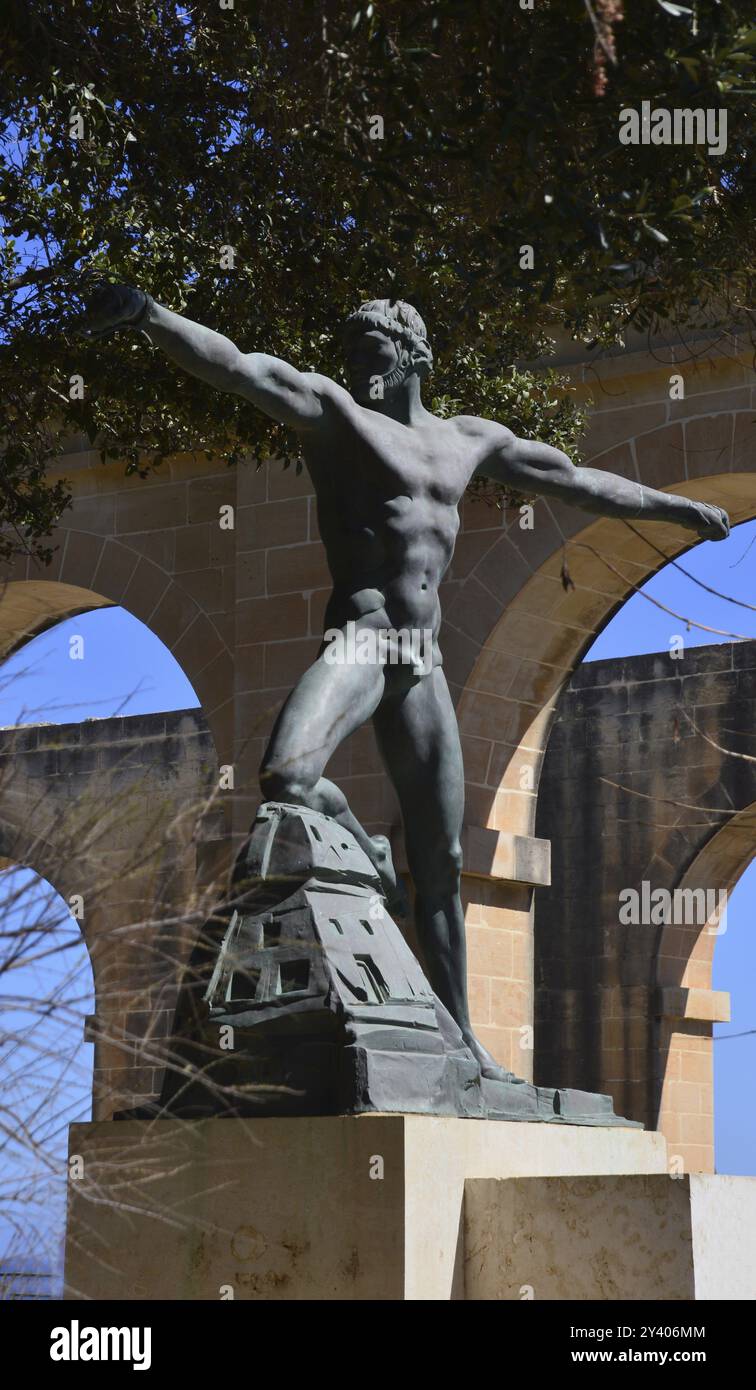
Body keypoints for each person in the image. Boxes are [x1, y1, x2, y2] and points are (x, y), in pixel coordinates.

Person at [85, 286, 730, 1080]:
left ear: (414, 355)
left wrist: (679, 508)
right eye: (350, 353)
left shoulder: (467, 441)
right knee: (287, 775)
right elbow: (242, 368)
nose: (358, 368)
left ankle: (466, 1044)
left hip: (422, 664)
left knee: (442, 861)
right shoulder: (337, 418)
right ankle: (360, 844)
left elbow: (578, 481)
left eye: (373, 352)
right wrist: (152, 317)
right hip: (365, 636)